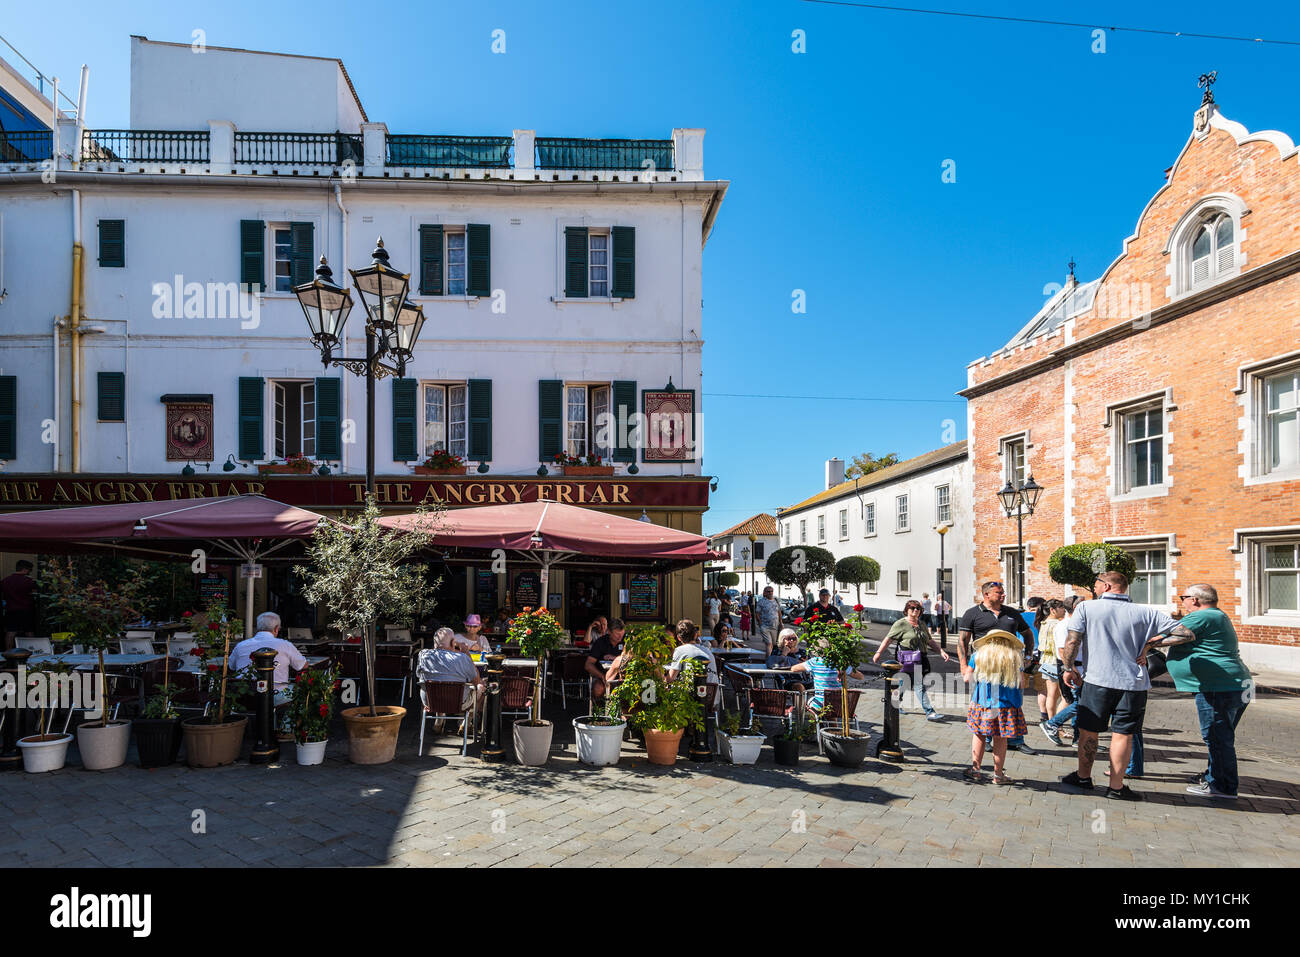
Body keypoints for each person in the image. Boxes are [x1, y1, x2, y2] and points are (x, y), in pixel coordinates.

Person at [1057, 571, 1181, 801]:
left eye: (1096, 585)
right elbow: (1184, 633)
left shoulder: (1087, 608)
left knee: (1089, 731)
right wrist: (1151, 644)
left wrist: (1068, 668)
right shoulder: (1145, 612)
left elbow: (1072, 640)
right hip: (1133, 683)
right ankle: (1116, 786)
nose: (1094, 589)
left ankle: (1083, 777)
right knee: (1123, 733)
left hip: (1098, 680)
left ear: (1106, 586)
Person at [1144, 584, 1252, 800]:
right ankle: (1214, 776)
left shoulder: (1202, 616)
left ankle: (1223, 786)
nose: (1181, 602)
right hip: (1235, 684)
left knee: (1216, 737)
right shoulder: (1217, 615)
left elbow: (1177, 634)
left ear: (1194, 599)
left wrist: (1147, 644)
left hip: (1218, 687)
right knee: (1222, 736)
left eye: (1183, 597)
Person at [957, 582, 1039, 754]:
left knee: (1013, 702)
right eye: (998, 593)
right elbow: (963, 641)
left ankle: (1015, 739)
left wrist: (1028, 657)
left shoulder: (1012, 613)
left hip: (1010, 666)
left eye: (1003, 592)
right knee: (987, 703)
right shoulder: (972, 614)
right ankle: (986, 737)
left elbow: (1028, 634)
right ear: (986, 594)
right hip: (984, 667)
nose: (1003, 595)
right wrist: (964, 665)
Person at [962, 629, 1027, 785]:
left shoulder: (978, 656)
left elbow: (967, 678)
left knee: (979, 735)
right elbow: (1022, 684)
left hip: (983, 703)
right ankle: (998, 775)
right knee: (1000, 738)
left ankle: (976, 770)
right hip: (1007, 706)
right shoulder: (1015, 658)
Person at [873, 599, 950, 721]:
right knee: (919, 685)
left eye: (918, 608)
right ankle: (929, 712)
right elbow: (888, 639)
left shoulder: (922, 624)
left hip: (920, 659)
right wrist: (878, 653)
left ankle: (894, 704)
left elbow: (930, 641)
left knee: (905, 683)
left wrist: (941, 651)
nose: (915, 610)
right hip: (906, 659)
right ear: (906, 610)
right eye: (912, 608)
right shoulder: (900, 624)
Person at [227, 611, 307, 705]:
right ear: (276, 629)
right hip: (275, 697)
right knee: (299, 691)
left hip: (244, 698)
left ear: (258, 628)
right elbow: (303, 666)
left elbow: (231, 667)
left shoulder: (241, 645)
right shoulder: (285, 645)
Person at [1041, 596, 1083, 746]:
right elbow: (1061, 650)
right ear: (1076, 608)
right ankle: (1052, 723)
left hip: (1082, 667)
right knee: (1080, 703)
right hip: (1074, 668)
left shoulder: (1078, 623)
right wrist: (1071, 668)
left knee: (1079, 703)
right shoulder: (1064, 625)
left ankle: (1078, 739)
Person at [416, 627, 487, 718]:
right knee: (481, 686)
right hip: (458, 703)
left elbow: (419, 675)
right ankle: (466, 723)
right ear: (453, 642)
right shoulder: (462, 658)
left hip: (430, 702)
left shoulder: (423, 655)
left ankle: (439, 722)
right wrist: (466, 652)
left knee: (437, 682)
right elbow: (476, 681)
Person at [791, 641, 865, 713]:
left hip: (820, 704)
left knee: (810, 702)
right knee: (832, 704)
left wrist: (805, 662)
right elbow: (861, 677)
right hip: (840, 705)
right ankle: (832, 725)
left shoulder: (814, 662)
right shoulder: (840, 663)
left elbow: (793, 668)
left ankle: (814, 724)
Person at [585, 617, 626, 702]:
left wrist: (615, 658)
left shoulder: (626, 641)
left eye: (622, 634)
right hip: (602, 676)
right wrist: (602, 676)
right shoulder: (600, 642)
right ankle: (599, 713)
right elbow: (588, 665)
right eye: (617, 634)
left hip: (622, 677)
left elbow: (632, 659)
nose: (620, 637)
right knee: (598, 689)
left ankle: (622, 714)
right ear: (609, 632)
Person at [1, 559, 38, 651]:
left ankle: (8, 652)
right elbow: (35, 594)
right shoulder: (29, 581)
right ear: (25, 569)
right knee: (29, 631)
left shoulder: (5, 581)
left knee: (10, 632)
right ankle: (32, 652)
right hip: (26, 609)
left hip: (11, 609)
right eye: (30, 570)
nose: (29, 572)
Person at [765, 628, 807, 693]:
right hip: (785, 680)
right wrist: (784, 654)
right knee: (799, 686)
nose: (792, 641)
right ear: (782, 639)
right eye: (789, 639)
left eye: (794, 638)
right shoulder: (777, 651)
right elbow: (772, 665)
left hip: (804, 679)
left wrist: (805, 663)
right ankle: (801, 703)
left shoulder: (802, 652)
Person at [754, 585, 783, 656]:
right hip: (765, 626)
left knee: (773, 644)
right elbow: (757, 613)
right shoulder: (761, 602)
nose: (770, 593)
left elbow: (779, 612)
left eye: (771, 591)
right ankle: (768, 660)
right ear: (765, 593)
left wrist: (781, 623)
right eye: (768, 591)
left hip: (775, 627)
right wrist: (760, 623)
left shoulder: (776, 601)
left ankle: (770, 658)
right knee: (769, 643)